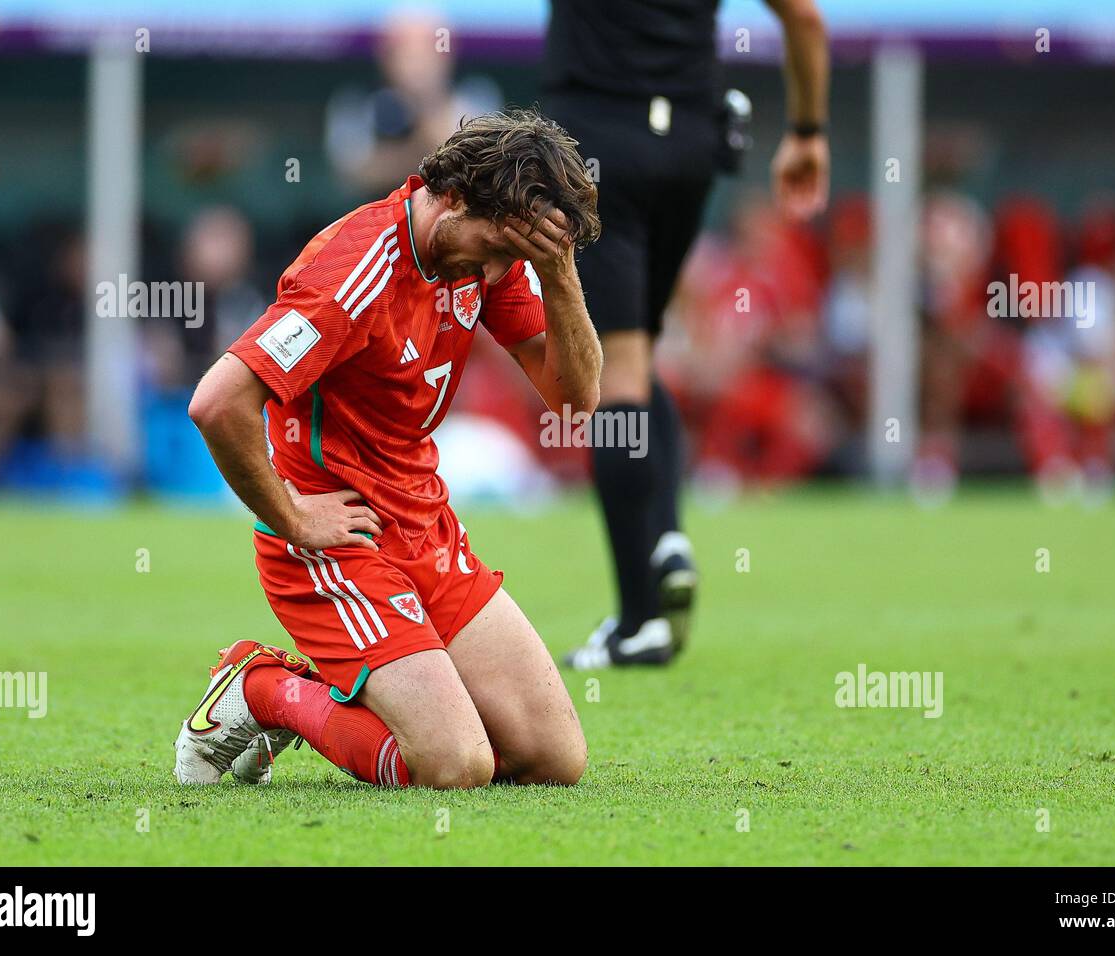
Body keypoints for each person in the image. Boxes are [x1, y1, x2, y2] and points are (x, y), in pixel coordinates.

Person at [174, 109, 602, 790]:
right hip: (334, 544)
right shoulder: (354, 272)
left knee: (554, 759)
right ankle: (261, 688)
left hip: (425, 528)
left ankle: (383, 680)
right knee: (455, 765)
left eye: (515, 258)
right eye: (497, 247)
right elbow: (217, 402)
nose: (497, 271)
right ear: (455, 196)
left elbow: (576, 405)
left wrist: (558, 273)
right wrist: (292, 518)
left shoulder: (488, 257)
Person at [545, 0, 831, 669]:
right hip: (690, 145)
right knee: (638, 354)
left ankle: (638, 621)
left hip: (597, 142)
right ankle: (666, 539)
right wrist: (808, 131)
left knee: (615, 374)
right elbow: (807, 20)